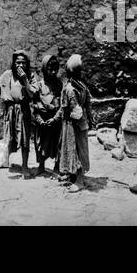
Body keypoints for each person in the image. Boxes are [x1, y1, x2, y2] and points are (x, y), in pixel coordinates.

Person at [0, 51, 36, 178]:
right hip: (11, 110)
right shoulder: (8, 74)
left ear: (27, 64)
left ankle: (24, 166)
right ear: (14, 63)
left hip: (24, 110)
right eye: (18, 62)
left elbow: (33, 94)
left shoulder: (30, 75)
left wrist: (25, 80)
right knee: (8, 136)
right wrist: (4, 96)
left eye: (23, 62)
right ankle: (3, 161)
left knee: (24, 139)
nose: (21, 65)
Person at [58, 54, 93, 192]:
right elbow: (88, 103)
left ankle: (79, 181)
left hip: (74, 124)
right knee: (75, 149)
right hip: (79, 123)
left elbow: (75, 109)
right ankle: (72, 175)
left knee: (76, 150)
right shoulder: (82, 85)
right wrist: (88, 118)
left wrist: (73, 118)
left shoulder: (71, 89)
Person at [31, 52, 64, 178]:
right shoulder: (39, 85)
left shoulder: (59, 85)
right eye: (50, 69)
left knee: (57, 142)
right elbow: (34, 104)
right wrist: (39, 119)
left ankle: (57, 166)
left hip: (55, 121)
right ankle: (41, 166)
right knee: (40, 143)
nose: (54, 72)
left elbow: (61, 103)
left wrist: (55, 118)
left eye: (56, 69)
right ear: (45, 69)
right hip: (42, 122)